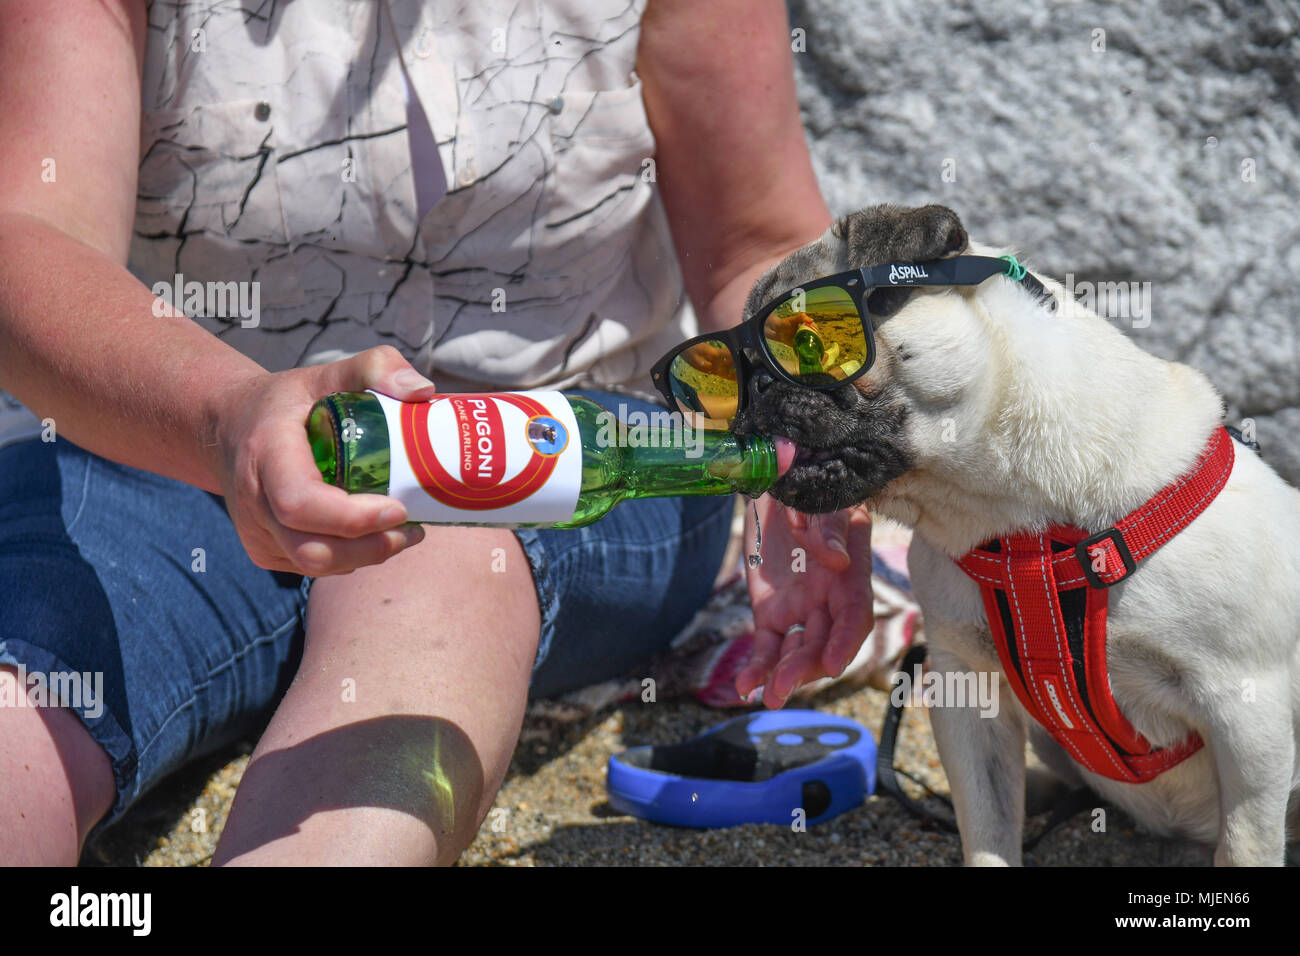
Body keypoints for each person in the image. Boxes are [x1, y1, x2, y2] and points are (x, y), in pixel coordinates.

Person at [0, 0, 874, 866]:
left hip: (572, 444)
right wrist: (225, 417)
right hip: (163, 453)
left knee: (457, 547)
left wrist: (794, 406)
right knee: (19, 733)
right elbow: (30, 236)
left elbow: (754, 238)